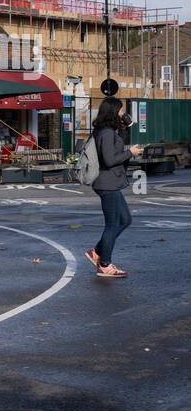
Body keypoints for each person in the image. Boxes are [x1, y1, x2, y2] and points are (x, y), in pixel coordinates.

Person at [85, 98, 141, 279]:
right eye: (120, 110)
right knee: (113, 224)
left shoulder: (105, 131)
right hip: (107, 183)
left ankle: (97, 252)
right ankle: (104, 264)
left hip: (109, 182)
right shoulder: (107, 132)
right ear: (113, 111)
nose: (122, 113)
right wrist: (130, 153)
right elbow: (110, 160)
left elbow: (113, 151)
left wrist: (125, 126)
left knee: (125, 219)